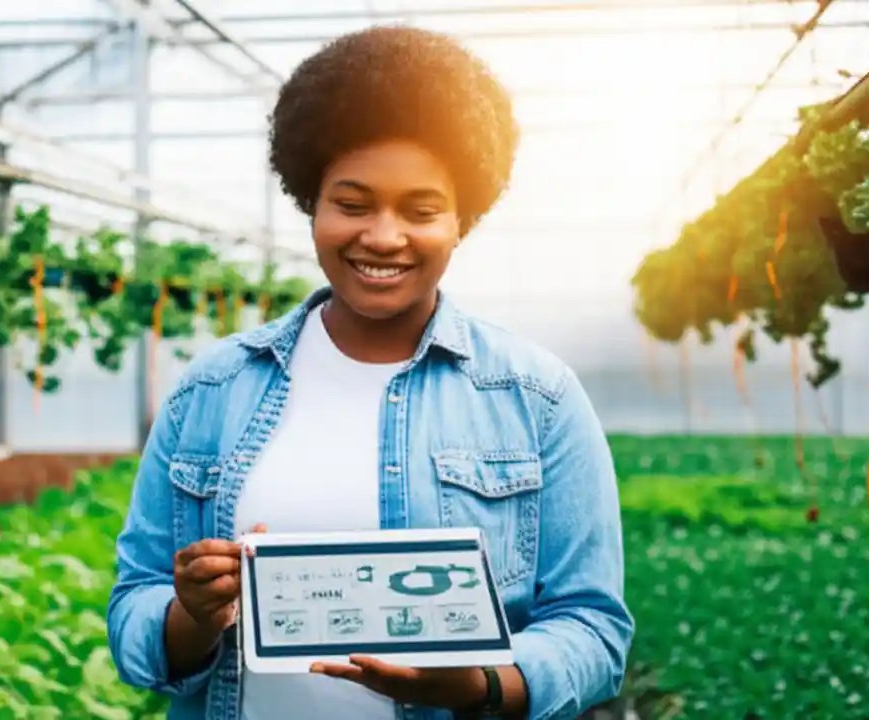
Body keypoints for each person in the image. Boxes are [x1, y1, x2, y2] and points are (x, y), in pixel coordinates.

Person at [107, 24, 633, 720]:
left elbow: (593, 630)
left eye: (422, 211)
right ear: (311, 203)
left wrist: (479, 685)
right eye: (352, 205)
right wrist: (193, 614)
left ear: (461, 221)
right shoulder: (211, 391)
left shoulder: (536, 398)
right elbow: (132, 615)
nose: (383, 237)